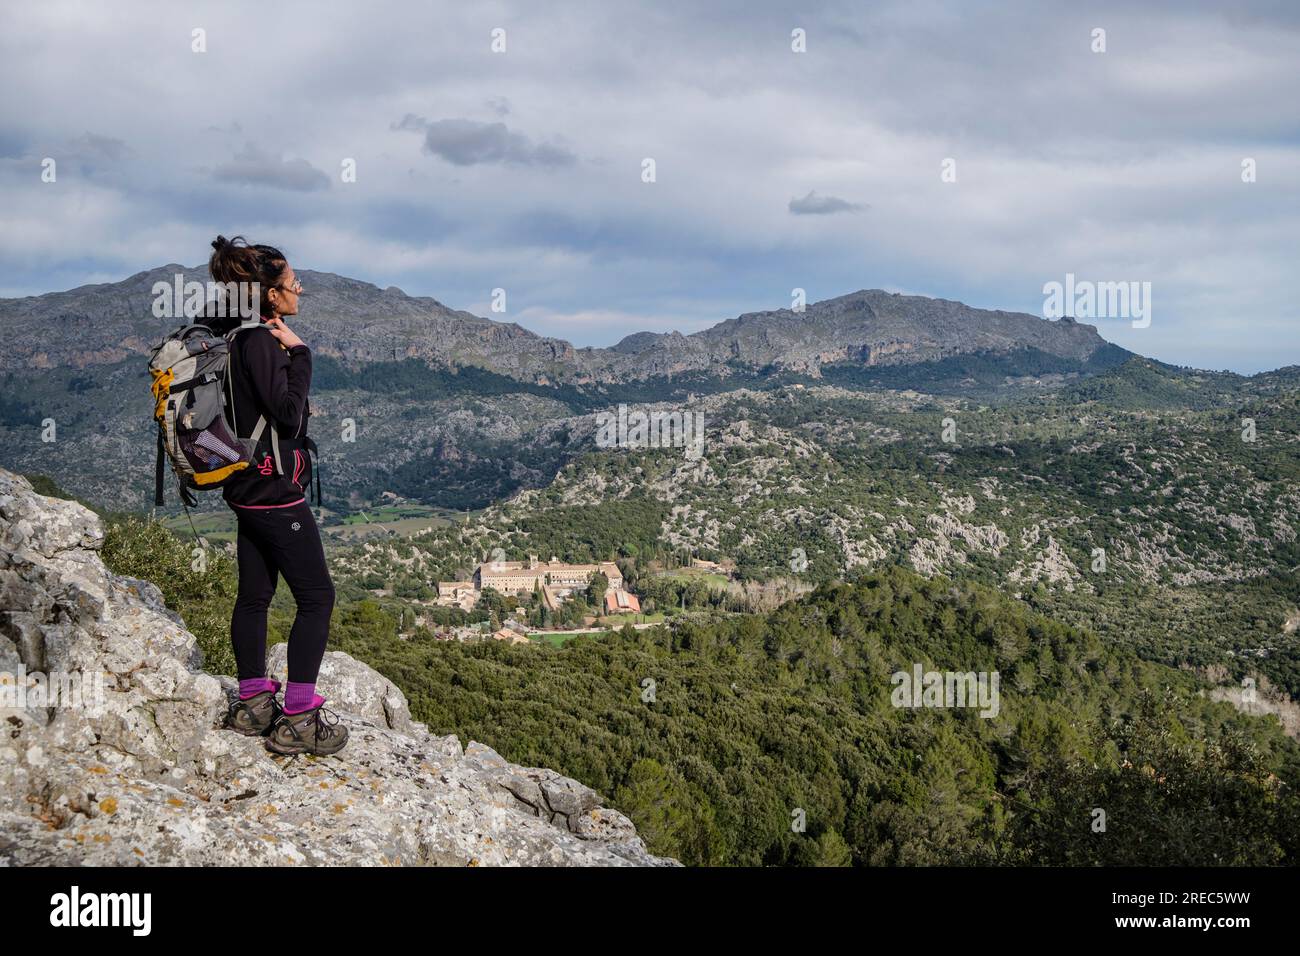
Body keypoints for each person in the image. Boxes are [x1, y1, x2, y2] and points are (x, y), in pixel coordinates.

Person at [207, 235, 348, 756]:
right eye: (292, 284)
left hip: (244, 486)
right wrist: (302, 354)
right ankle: (300, 718)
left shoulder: (233, 336)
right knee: (316, 597)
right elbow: (287, 415)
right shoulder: (261, 344)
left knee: (255, 595)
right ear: (270, 295)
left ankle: (254, 702)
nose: (300, 289)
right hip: (272, 491)